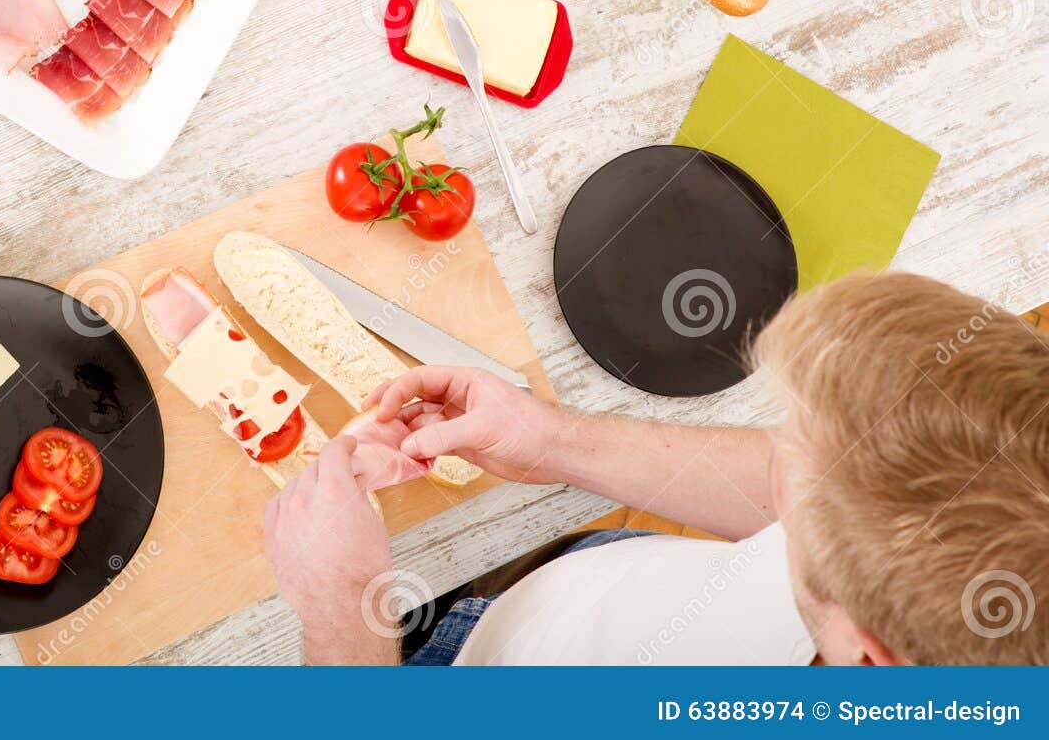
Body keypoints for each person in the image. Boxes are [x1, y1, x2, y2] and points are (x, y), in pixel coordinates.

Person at [262, 271, 1049, 665]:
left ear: (867, 654)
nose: (781, 454)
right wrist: (555, 441)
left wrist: (342, 612)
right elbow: (825, 485)